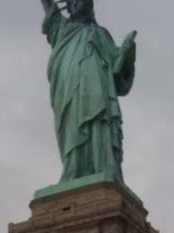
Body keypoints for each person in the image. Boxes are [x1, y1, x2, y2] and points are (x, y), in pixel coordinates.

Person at [38, 0, 138, 185]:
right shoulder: (62, 28)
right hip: (67, 90)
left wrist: (126, 53)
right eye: (73, 1)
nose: (77, 3)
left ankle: (102, 167)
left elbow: (118, 72)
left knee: (98, 121)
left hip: (98, 91)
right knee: (72, 127)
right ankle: (74, 169)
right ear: (68, 7)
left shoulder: (101, 34)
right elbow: (48, 6)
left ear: (90, 6)